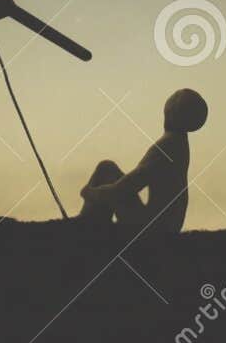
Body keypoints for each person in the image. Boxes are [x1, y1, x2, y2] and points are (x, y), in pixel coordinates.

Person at [79, 88, 208, 234]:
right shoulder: (179, 143)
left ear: (171, 112)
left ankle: (83, 227)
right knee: (108, 170)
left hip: (154, 228)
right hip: (166, 224)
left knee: (106, 169)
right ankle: (88, 224)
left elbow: (122, 190)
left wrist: (88, 193)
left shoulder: (167, 146)